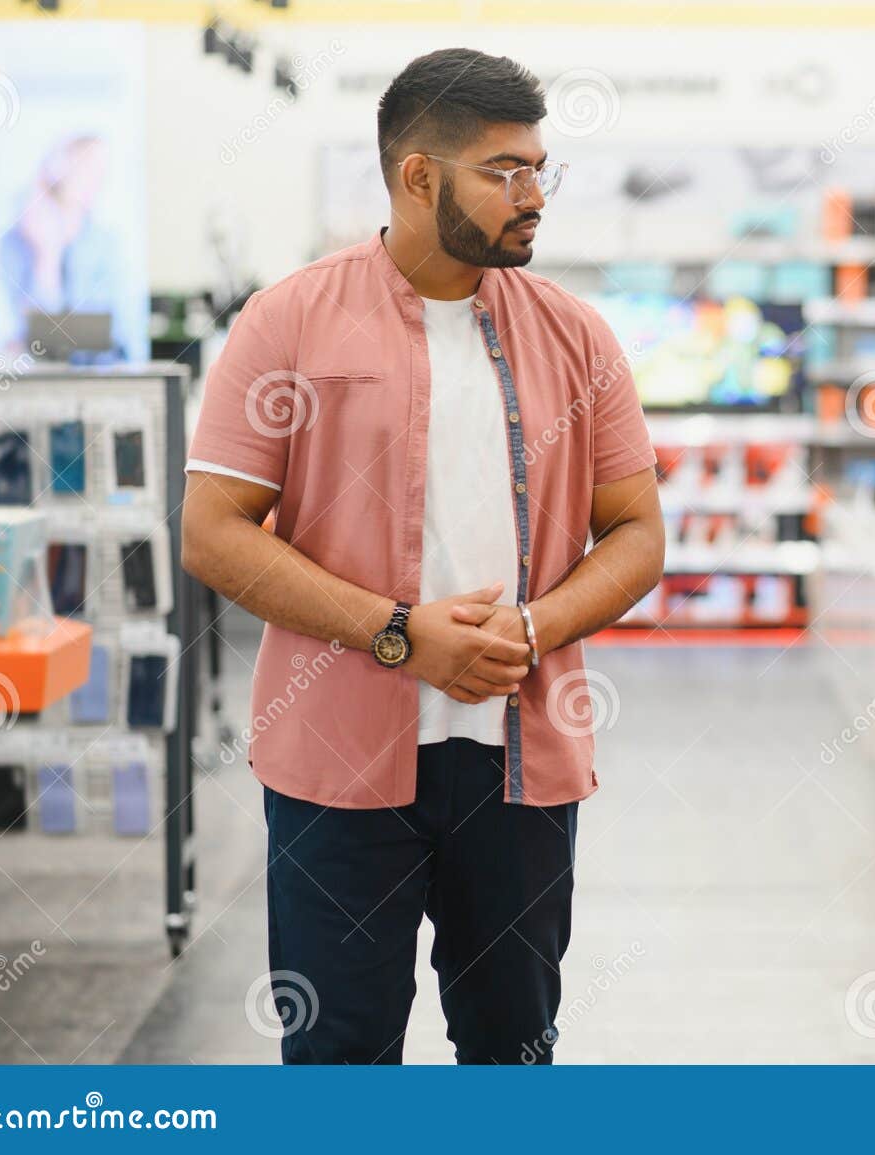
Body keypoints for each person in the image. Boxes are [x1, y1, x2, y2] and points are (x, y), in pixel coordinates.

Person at [180, 47, 663, 1064]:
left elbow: (636, 531)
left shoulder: (575, 336)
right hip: (335, 765)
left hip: (519, 770)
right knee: (338, 1056)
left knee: (511, 1047)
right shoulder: (289, 322)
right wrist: (400, 636)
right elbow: (213, 531)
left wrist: (535, 627)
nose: (533, 195)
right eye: (505, 171)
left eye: (541, 168)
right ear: (419, 176)